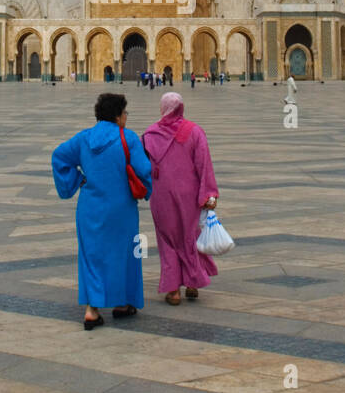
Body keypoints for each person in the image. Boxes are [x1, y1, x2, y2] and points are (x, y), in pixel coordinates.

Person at [52, 92, 152, 330]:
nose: (126, 117)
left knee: (92, 256)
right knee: (124, 253)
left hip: (90, 208)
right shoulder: (128, 138)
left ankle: (91, 310)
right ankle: (122, 304)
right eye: (125, 112)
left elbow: (59, 156)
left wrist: (77, 180)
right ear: (118, 116)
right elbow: (144, 170)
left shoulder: (84, 138)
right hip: (121, 209)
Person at [143, 92, 219, 306]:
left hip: (161, 196)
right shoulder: (194, 131)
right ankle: (193, 282)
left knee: (167, 240)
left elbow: (142, 165)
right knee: (190, 236)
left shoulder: (151, 134)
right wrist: (209, 193)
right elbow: (204, 165)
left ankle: (173, 290)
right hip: (189, 196)